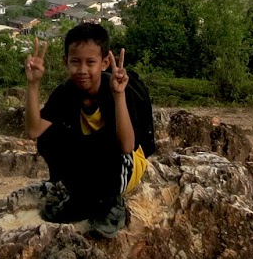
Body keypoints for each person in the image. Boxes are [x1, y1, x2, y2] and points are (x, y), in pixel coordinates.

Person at [19, 22, 155, 239]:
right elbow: (35, 131)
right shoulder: (66, 92)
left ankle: (111, 204)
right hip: (91, 160)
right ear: (66, 62)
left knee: (106, 141)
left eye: (90, 62)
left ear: (104, 63)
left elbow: (127, 145)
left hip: (125, 164)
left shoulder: (117, 90)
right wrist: (33, 84)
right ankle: (80, 198)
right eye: (75, 62)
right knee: (50, 137)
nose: (82, 70)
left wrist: (119, 95)